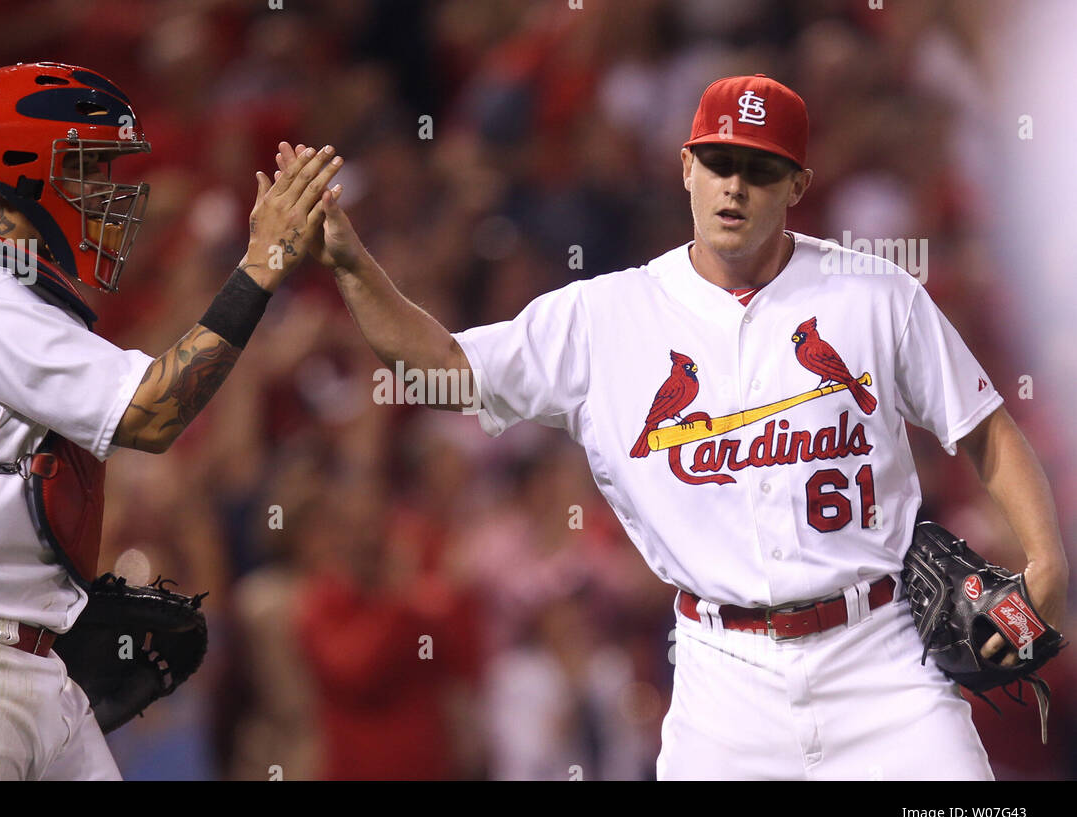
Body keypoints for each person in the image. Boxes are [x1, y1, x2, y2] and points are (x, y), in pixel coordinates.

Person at [288, 72, 1069, 779]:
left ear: (798, 183)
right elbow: (445, 366)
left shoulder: (874, 293)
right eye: (720, 163)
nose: (735, 187)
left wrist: (1046, 564)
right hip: (724, 679)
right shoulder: (606, 316)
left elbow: (984, 427)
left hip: (881, 659)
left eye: (760, 169)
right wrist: (355, 267)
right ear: (686, 168)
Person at [0, 62, 341, 780]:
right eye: (87, 165)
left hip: (1, 661)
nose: (107, 188)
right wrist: (263, 264)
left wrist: (15, 584)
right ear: (22, 168)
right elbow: (153, 411)